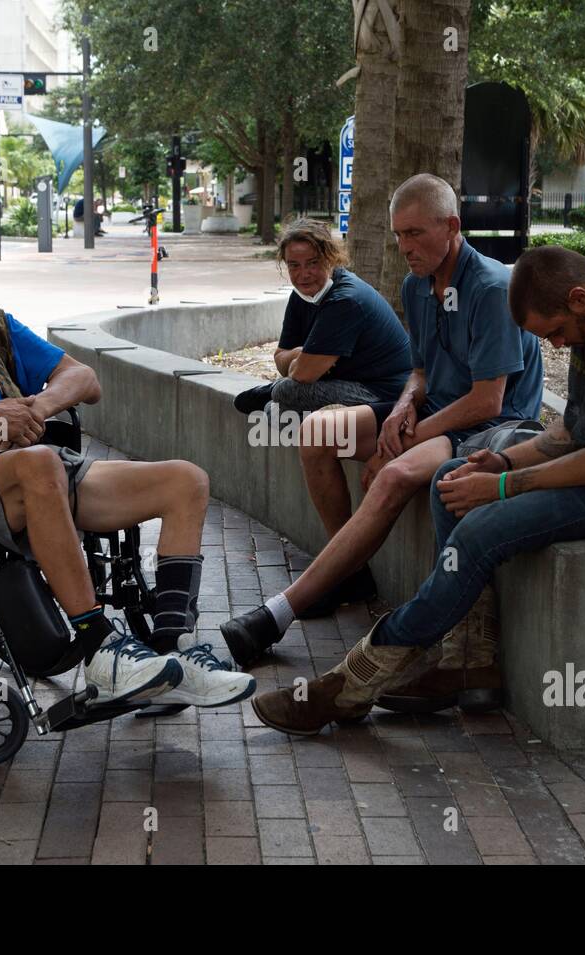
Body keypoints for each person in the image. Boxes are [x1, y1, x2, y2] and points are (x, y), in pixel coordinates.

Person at [250, 243, 585, 734]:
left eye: (558, 334)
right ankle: (469, 664)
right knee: (451, 479)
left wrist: (503, 485)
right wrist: (498, 460)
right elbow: (572, 432)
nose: (561, 347)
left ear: (578, 299)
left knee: (480, 532)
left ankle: (350, 684)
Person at [0, 219, 252, 709]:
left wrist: (35, 408)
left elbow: (83, 377)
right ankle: (100, 647)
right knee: (39, 464)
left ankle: (171, 650)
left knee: (185, 480)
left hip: (34, 465)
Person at [220, 173, 544, 665]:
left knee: (390, 476)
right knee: (316, 433)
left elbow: (488, 402)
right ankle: (348, 572)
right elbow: (419, 370)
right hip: (431, 415)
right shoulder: (417, 285)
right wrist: (402, 407)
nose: (404, 246)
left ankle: (281, 612)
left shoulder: (491, 287)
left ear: (452, 226)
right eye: (397, 235)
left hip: (489, 428)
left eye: (415, 233)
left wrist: (402, 441)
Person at [233, 218, 411, 417]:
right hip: (341, 381)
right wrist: (302, 354)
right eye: (294, 266)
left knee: (283, 394)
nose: (303, 274)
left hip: (382, 392)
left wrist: (303, 362)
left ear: (330, 258)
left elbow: (303, 374)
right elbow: (281, 359)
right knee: (277, 409)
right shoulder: (302, 295)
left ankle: (274, 395)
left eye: (312, 263)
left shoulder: (345, 300)